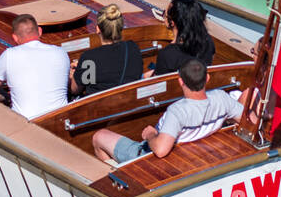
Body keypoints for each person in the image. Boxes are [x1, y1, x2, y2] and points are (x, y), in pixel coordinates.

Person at [92, 58, 247, 164]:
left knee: (99, 137)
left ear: (180, 81)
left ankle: (117, 181)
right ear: (207, 78)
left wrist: (150, 134)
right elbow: (248, 121)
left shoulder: (177, 111)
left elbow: (160, 150)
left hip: (148, 157)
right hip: (194, 153)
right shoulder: (221, 98)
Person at [0, 13, 70, 119]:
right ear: (40, 31)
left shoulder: (9, 55)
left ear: (14, 38)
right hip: (60, 120)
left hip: (28, 125)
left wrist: (7, 98)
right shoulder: (61, 52)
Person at [70, 5, 141, 97]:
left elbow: (75, 90)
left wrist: (74, 75)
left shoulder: (89, 58)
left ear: (98, 29)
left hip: (98, 109)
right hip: (127, 104)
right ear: (120, 27)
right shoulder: (133, 48)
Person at [148, 0, 215, 76]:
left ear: (172, 23)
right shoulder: (208, 42)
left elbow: (160, 85)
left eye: (164, 14)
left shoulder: (167, 54)